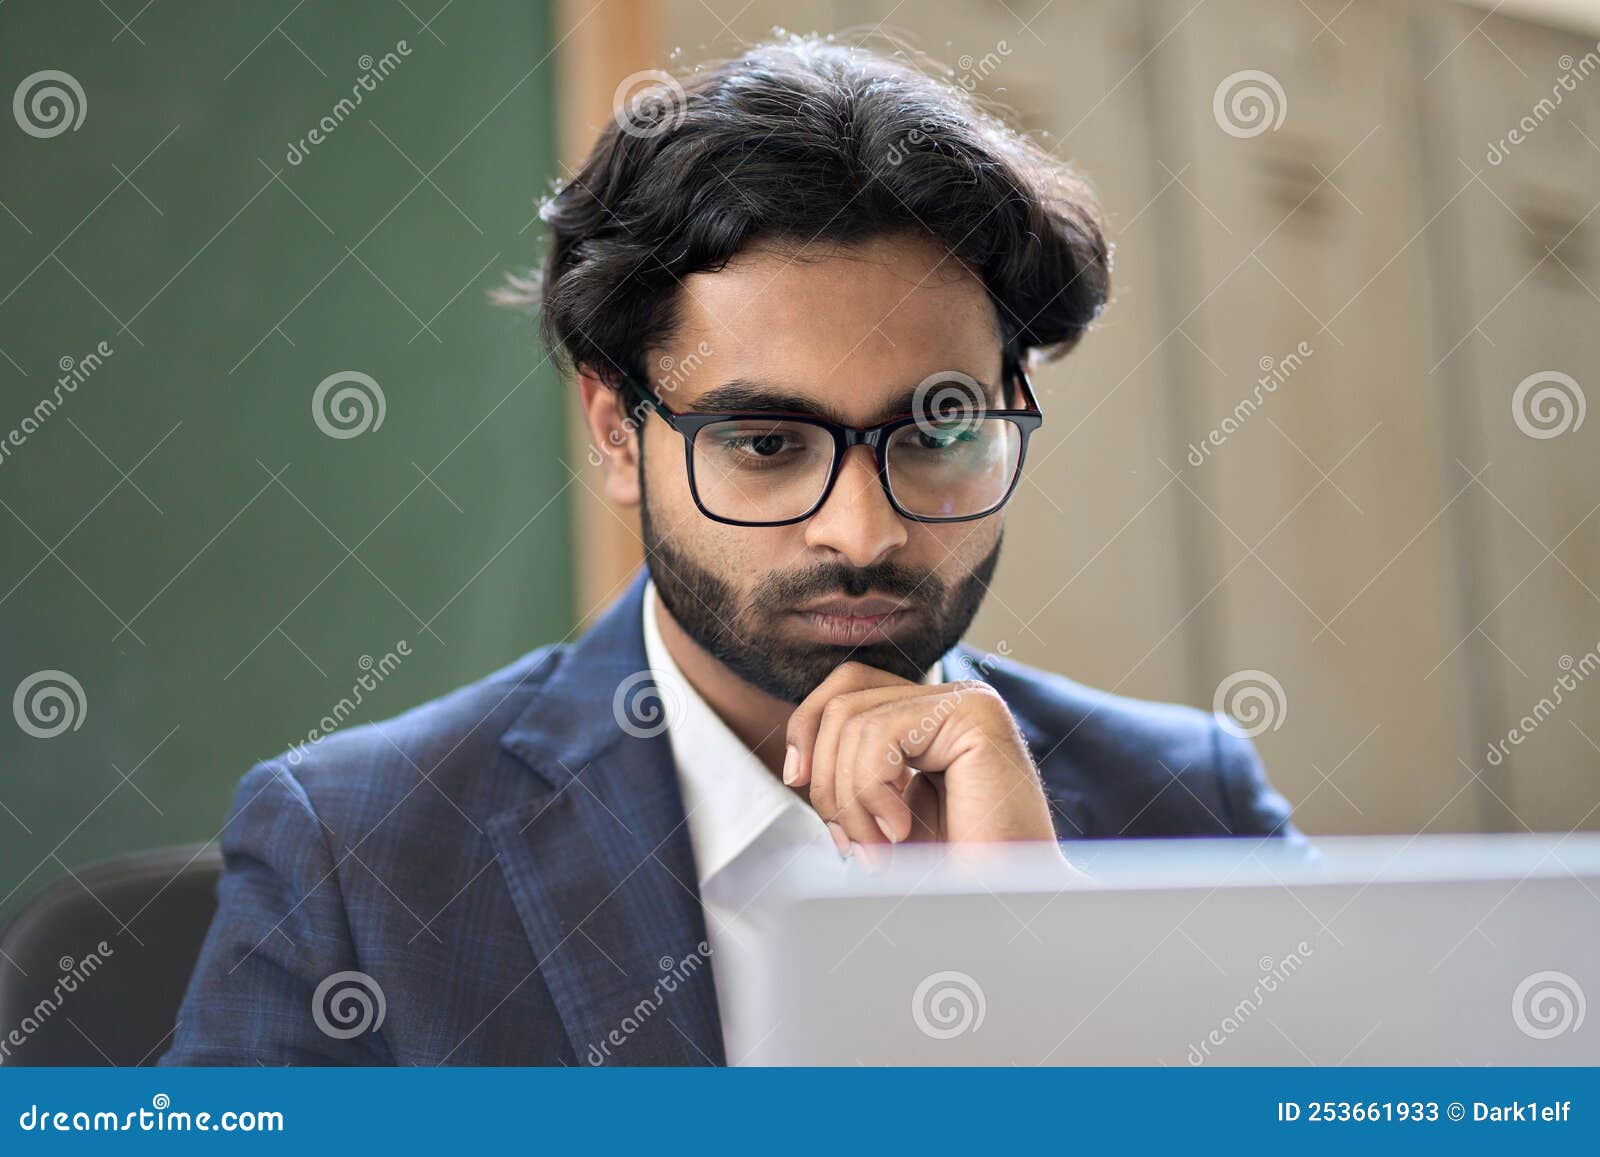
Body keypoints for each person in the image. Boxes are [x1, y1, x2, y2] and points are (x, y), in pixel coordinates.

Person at [164, 34, 1303, 1067]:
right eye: (765, 441)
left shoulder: (1187, 803)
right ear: (620, 435)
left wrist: (1048, 958)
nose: (863, 531)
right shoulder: (359, 853)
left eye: (941, 429)